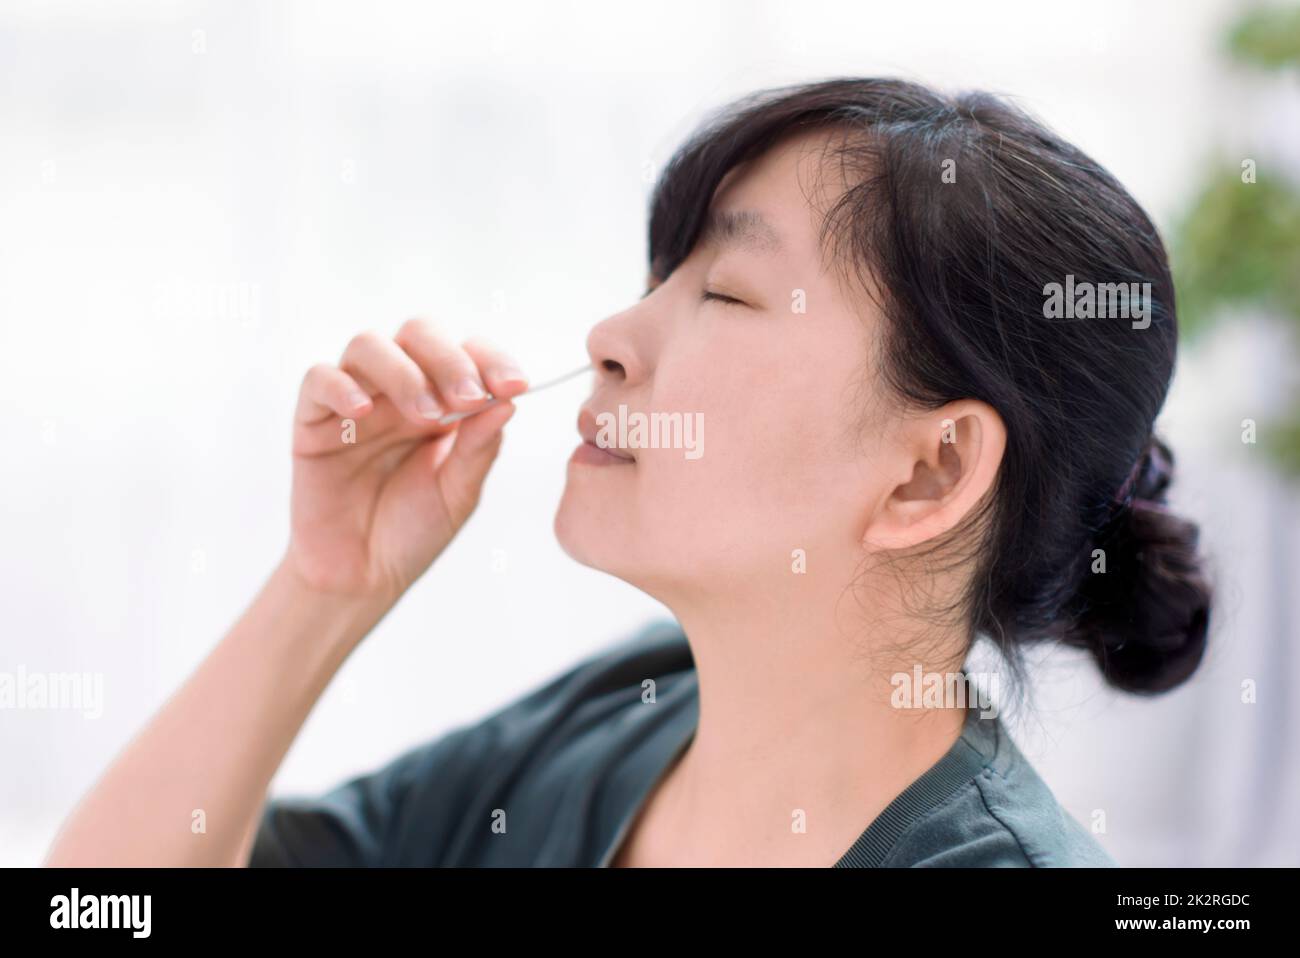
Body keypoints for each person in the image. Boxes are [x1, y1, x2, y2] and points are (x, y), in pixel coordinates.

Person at [44, 77, 1211, 868]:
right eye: (661, 275)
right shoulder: (627, 711)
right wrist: (324, 584)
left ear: (929, 470)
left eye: (726, 293)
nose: (613, 331)